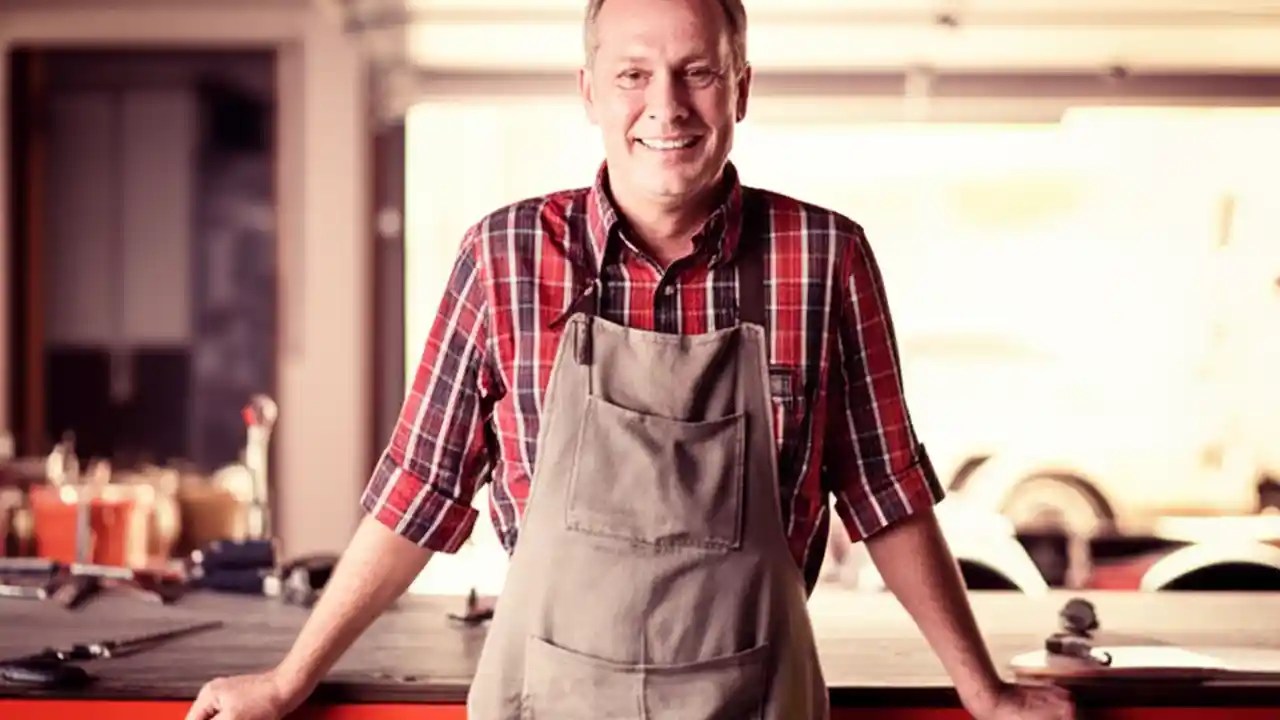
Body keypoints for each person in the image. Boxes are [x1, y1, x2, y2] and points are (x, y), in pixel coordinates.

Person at [185, 0, 1077, 718]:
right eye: (633, 75)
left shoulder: (825, 256)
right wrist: (289, 677)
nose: (667, 106)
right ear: (589, 90)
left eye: (698, 73)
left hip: (755, 695)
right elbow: (421, 489)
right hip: (549, 697)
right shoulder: (503, 258)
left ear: (741, 87)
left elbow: (887, 495)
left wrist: (983, 689)